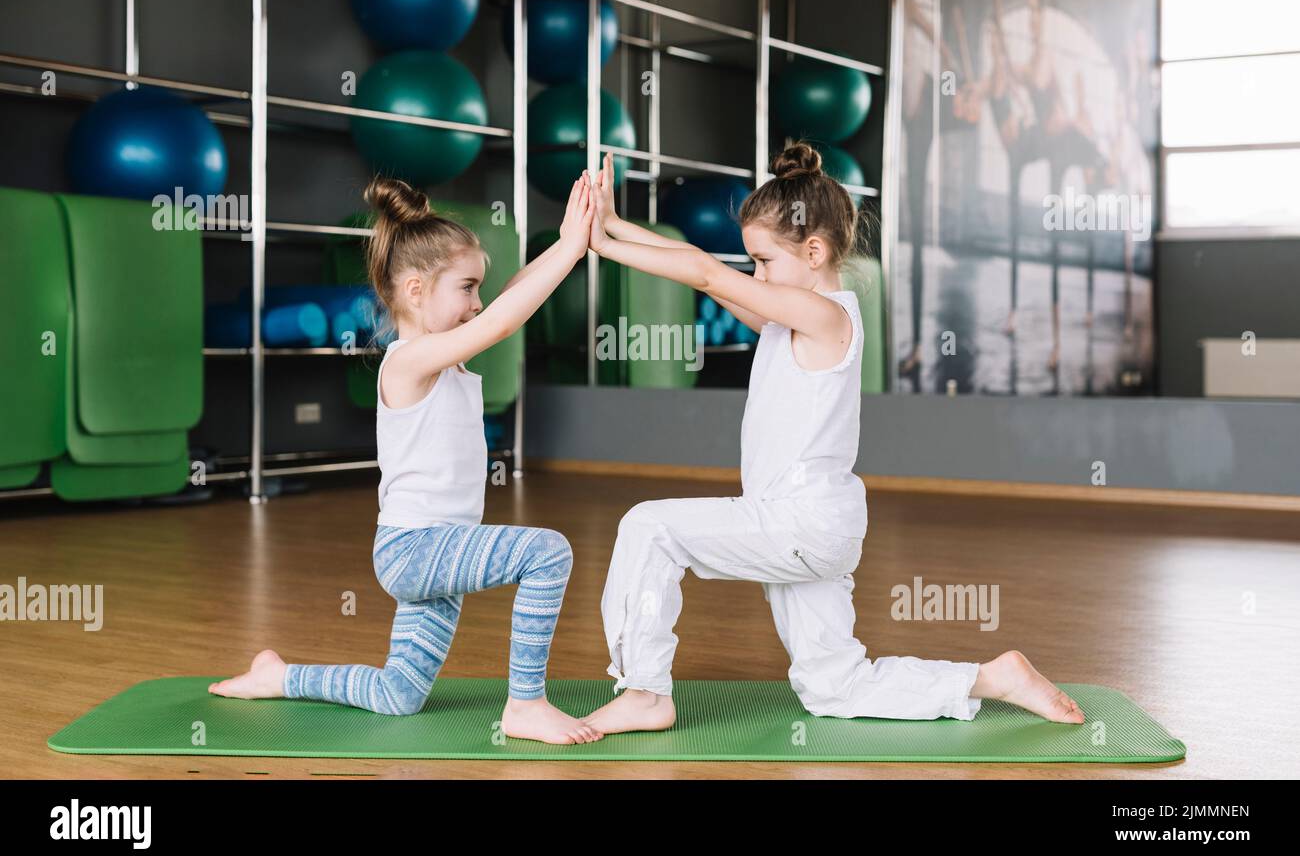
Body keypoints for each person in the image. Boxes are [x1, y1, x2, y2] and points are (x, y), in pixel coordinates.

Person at [577, 143, 1086, 734]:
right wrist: (616, 223)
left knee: (648, 526)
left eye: (765, 262)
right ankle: (994, 677)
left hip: (801, 524)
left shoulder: (828, 318)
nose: (755, 276)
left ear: (813, 251)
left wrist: (606, 247)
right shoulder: (788, 317)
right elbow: (704, 267)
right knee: (833, 688)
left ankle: (644, 693)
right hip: (810, 528)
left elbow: (708, 273)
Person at [208, 172, 606, 745]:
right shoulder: (408, 362)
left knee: (400, 695)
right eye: (466, 288)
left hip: (434, 552)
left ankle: (280, 676)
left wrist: (561, 246)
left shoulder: (441, 358)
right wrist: (569, 246)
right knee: (547, 553)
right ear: (417, 292)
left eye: (477, 289)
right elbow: (503, 320)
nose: (477, 303)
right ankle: (526, 704)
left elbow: (504, 304)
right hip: (417, 550)